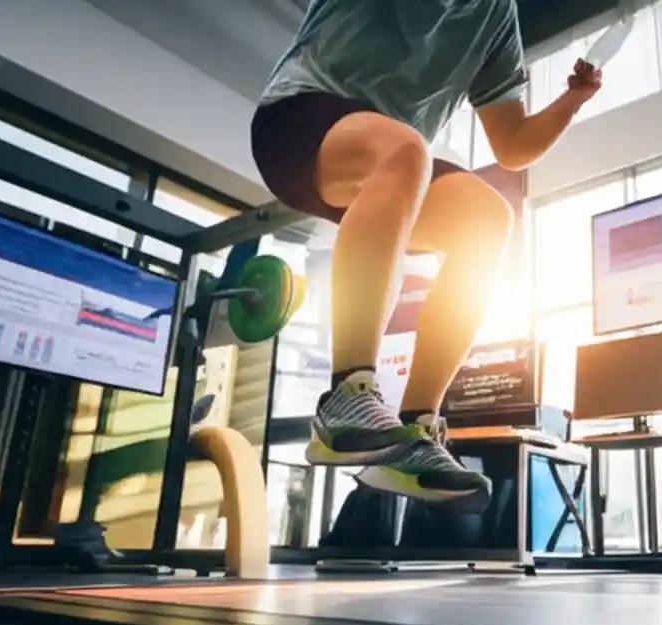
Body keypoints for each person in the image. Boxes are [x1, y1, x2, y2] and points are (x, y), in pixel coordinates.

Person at [250, 1, 602, 514]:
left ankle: (416, 431)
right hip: (295, 121)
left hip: (391, 165)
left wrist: (575, 98)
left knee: (485, 220)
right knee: (405, 149)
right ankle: (348, 392)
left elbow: (512, 146)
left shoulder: (495, 15)